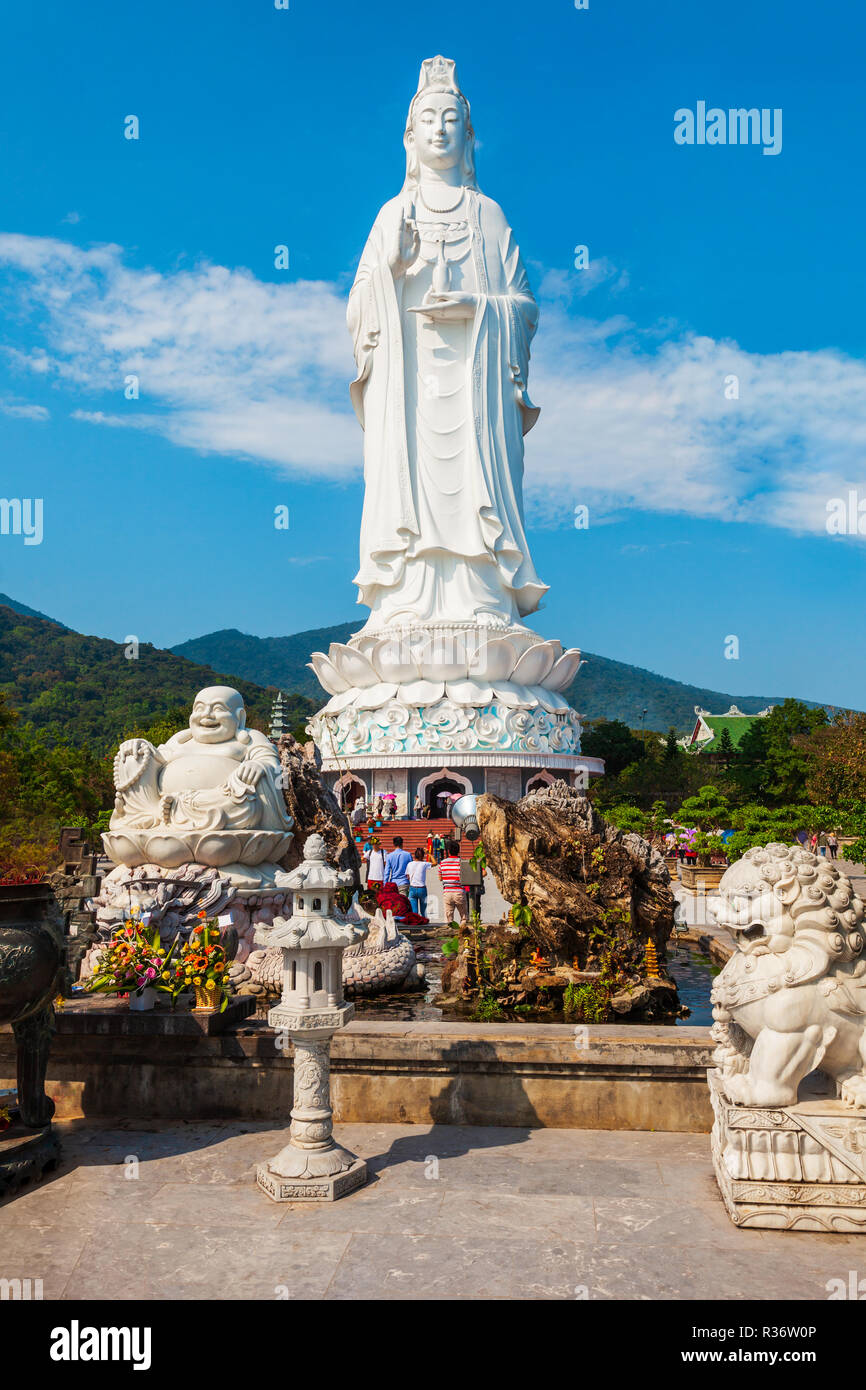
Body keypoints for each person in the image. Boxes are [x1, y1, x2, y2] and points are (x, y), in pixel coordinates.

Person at [439, 839, 467, 925]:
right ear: (458, 851)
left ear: (448, 851)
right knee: (464, 917)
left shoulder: (442, 863)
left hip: (447, 892)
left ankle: (449, 934)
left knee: (449, 918)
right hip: (459, 892)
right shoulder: (462, 862)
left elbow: (440, 878)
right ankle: (463, 934)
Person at [407, 847, 429, 919]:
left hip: (412, 888)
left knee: (414, 912)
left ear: (414, 855)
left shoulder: (409, 864)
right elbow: (435, 863)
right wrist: (429, 853)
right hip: (422, 888)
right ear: (422, 856)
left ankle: (415, 928)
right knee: (423, 911)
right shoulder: (424, 864)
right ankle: (424, 923)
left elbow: (407, 876)